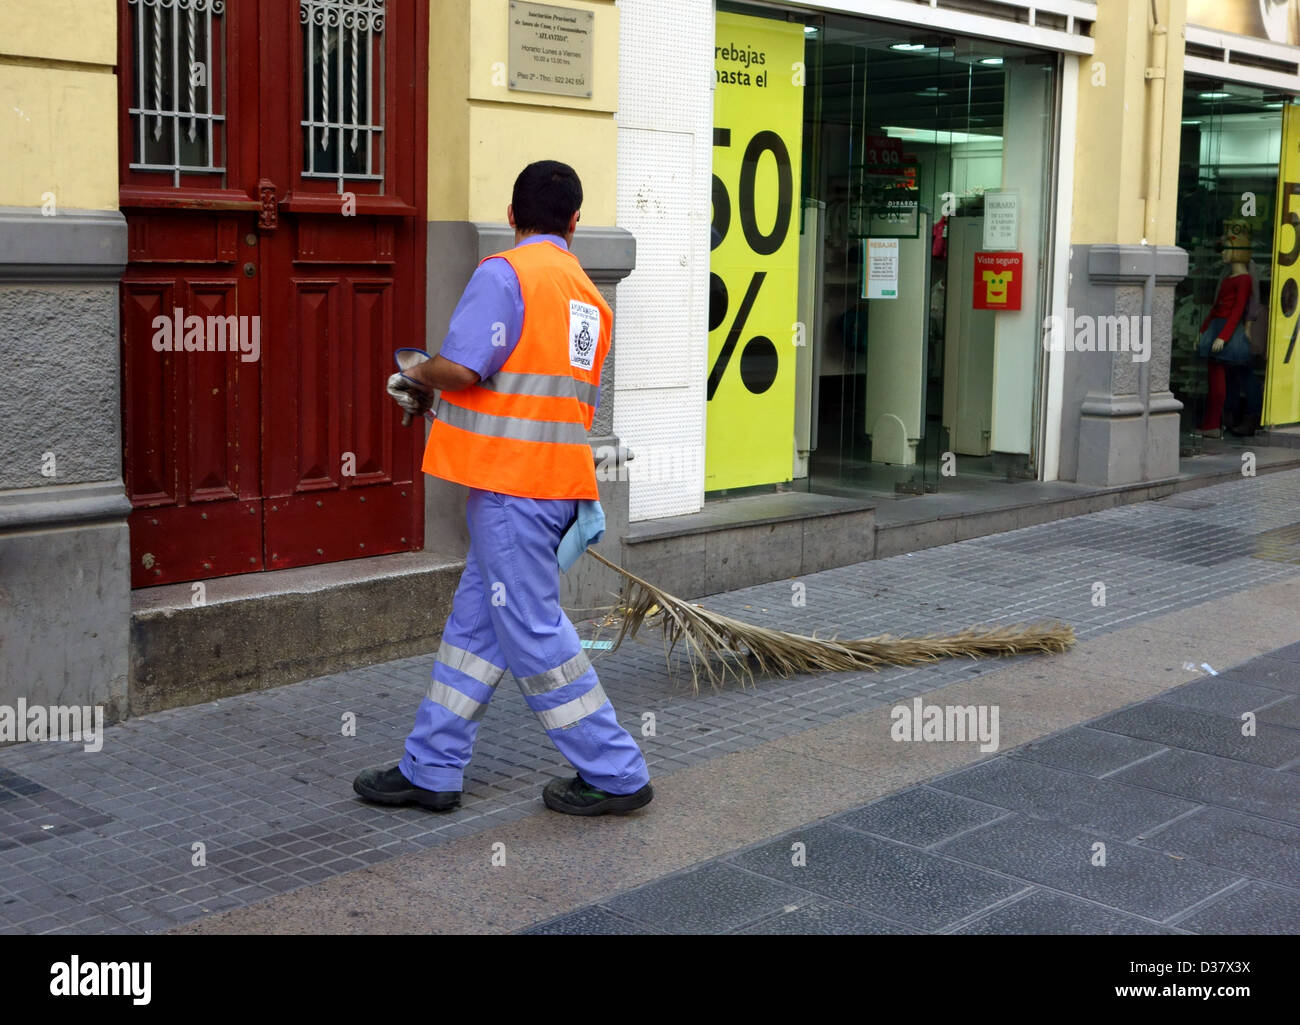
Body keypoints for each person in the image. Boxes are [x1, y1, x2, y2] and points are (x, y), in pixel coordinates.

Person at [353, 161, 653, 816]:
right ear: (575, 222)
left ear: (512, 215)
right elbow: (548, 399)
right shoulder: (590, 300)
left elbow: (465, 368)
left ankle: (616, 771)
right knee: (475, 629)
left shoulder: (505, 274)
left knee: (534, 633)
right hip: (552, 487)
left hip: (510, 488)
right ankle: (431, 766)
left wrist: (416, 373)